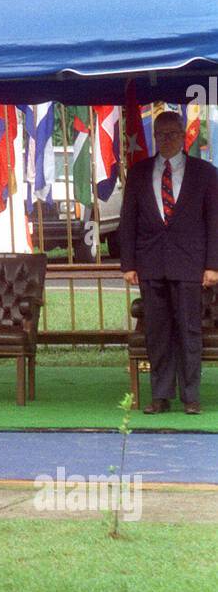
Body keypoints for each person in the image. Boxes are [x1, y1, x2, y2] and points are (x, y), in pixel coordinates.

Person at [120, 109, 218, 415]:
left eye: (173, 133)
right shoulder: (139, 172)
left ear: (183, 135)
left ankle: (191, 397)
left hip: (190, 265)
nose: (167, 139)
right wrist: (128, 264)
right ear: (154, 137)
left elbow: (214, 221)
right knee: (157, 332)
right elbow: (128, 222)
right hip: (150, 264)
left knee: (189, 331)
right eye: (161, 134)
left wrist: (212, 265)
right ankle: (160, 395)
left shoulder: (205, 173)